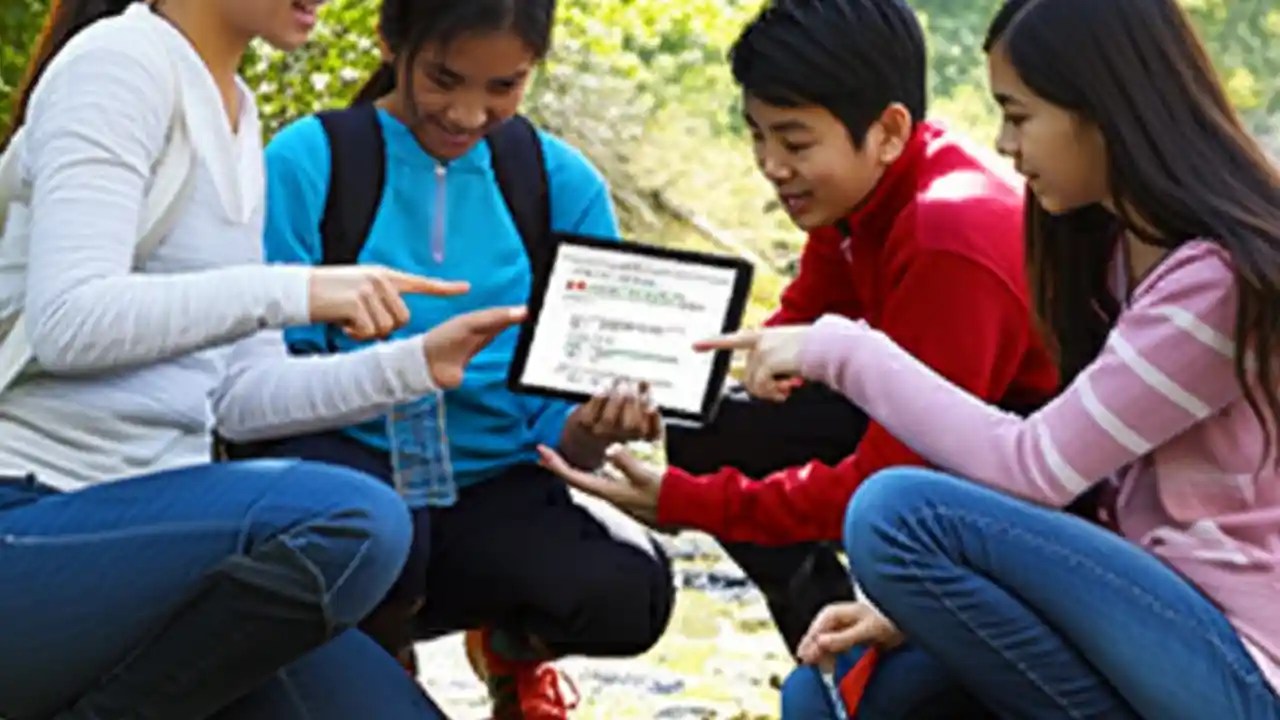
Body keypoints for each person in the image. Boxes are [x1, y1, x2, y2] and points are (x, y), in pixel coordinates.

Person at [688, 0, 1280, 717]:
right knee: (824, 698)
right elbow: (1102, 503)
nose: (1003, 143)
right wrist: (929, 609)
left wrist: (840, 349)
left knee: (898, 513)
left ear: (1102, 110)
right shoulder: (1111, 254)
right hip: (1138, 613)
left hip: (1240, 666)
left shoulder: (1216, 285)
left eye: (1019, 116)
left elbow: (1036, 468)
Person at [0, 0, 522, 718]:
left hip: (157, 537)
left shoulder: (237, 113)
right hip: (30, 518)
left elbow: (238, 393)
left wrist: (415, 367)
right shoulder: (118, 65)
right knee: (355, 518)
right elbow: (69, 319)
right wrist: (297, 291)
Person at [545, 0, 1059, 654]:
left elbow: (897, 475)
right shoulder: (856, 195)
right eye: (758, 136)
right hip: (937, 444)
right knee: (711, 427)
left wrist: (691, 503)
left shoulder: (947, 236)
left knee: (848, 497)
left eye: (794, 142)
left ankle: (903, 657)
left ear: (889, 131)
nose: (771, 165)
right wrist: (667, 384)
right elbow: (791, 328)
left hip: (1029, 488)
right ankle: (834, 647)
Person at [253, 1, 676, 717]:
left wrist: (590, 430)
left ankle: (510, 650)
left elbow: (565, 413)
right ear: (394, 43)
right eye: (444, 80)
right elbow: (264, 377)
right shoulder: (308, 163)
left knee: (630, 588)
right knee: (391, 536)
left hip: (491, 488)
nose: (468, 114)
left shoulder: (557, 184)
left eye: (503, 87)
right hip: (348, 486)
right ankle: (374, 661)